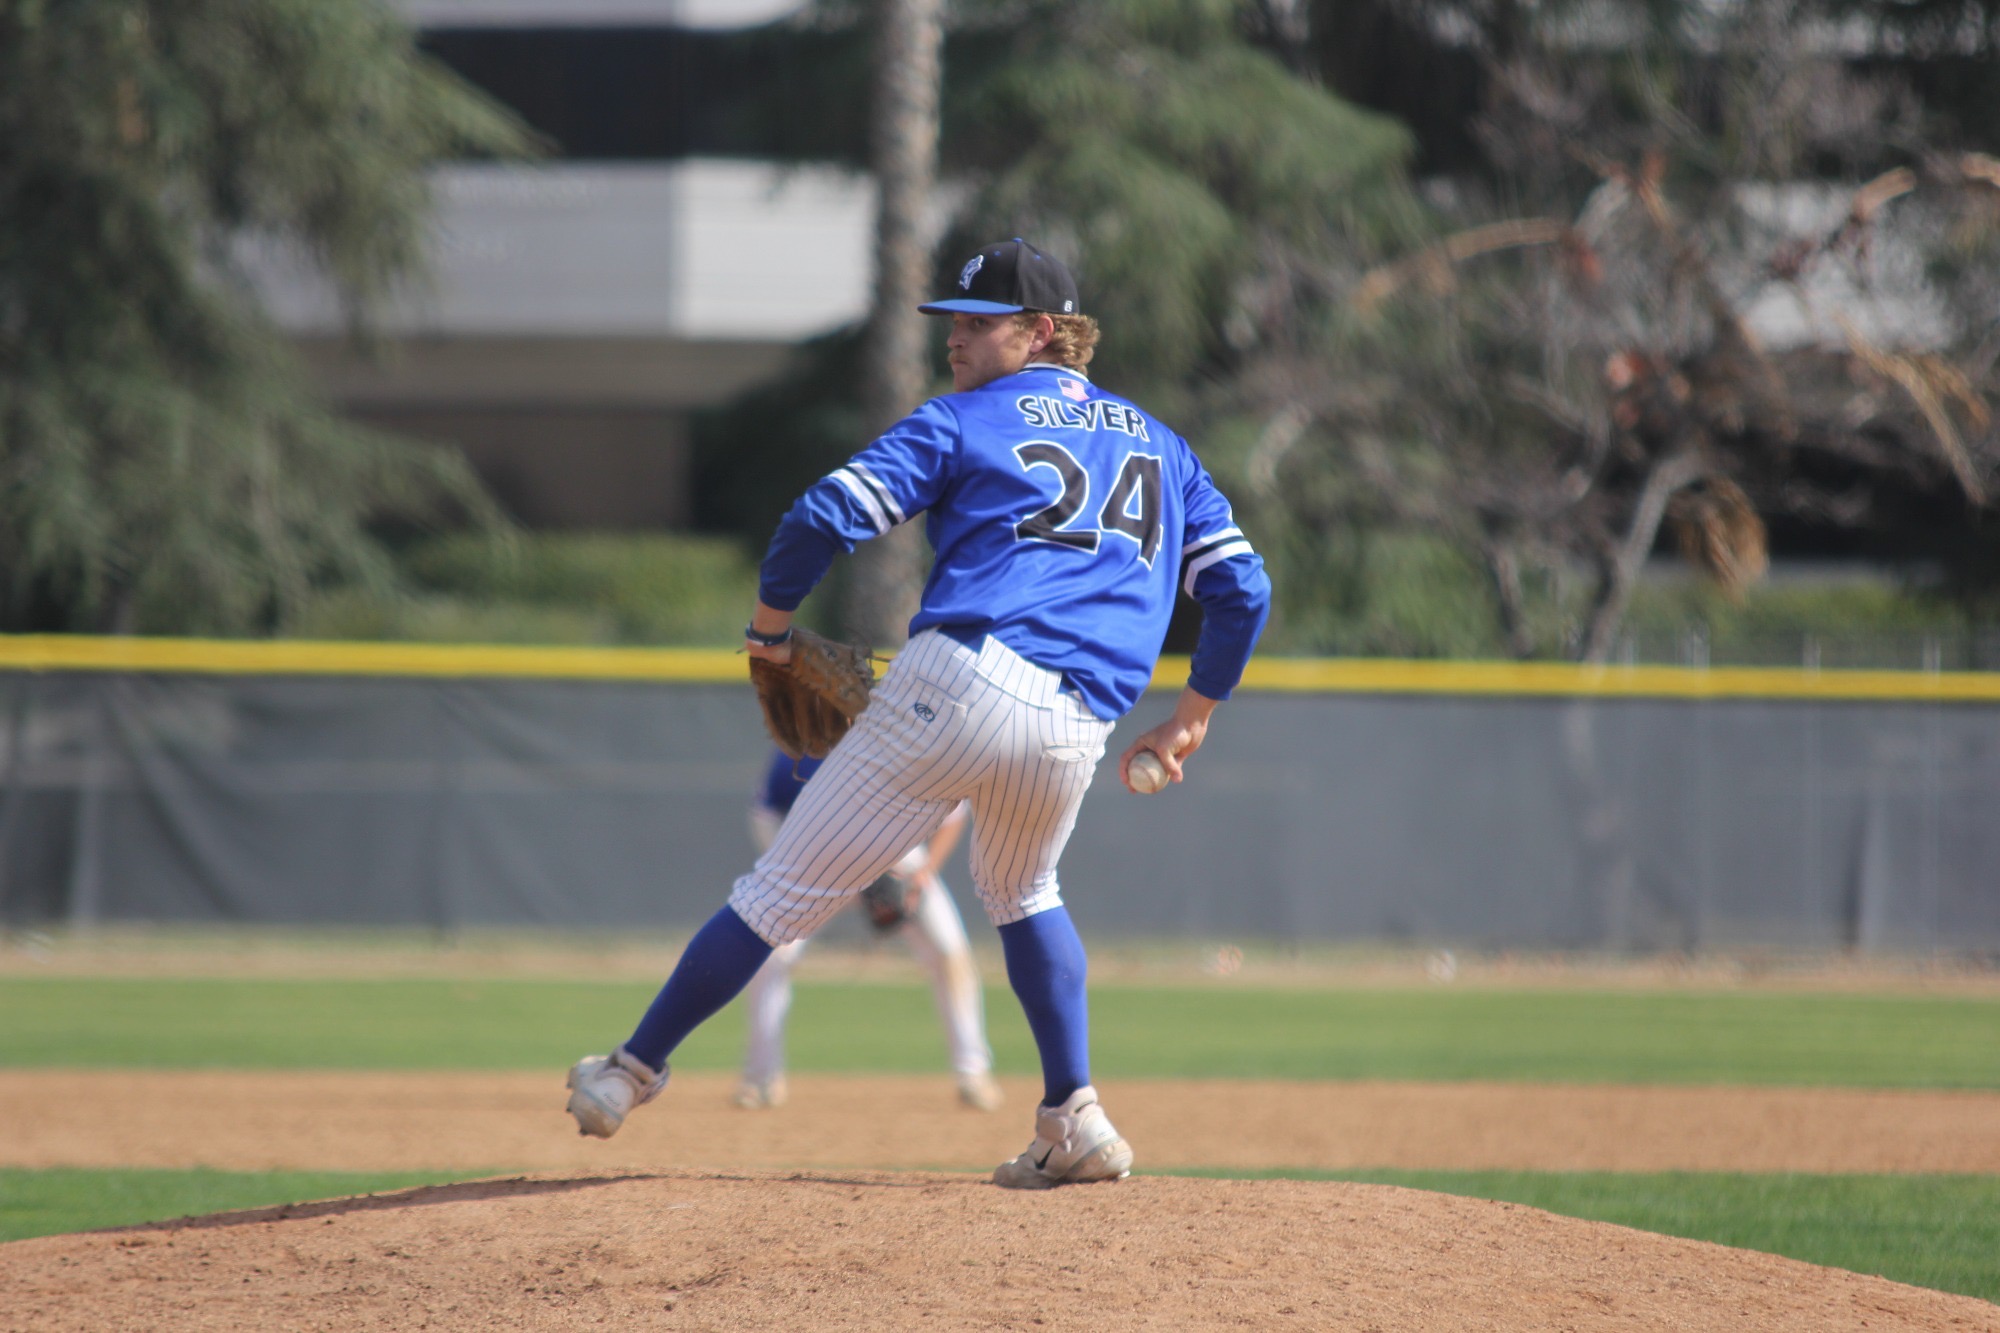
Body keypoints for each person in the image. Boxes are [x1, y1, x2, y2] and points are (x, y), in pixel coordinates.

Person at [566, 237, 1271, 1189]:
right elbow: (1243, 588)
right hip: (1078, 725)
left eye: (981, 324)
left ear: (1045, 333)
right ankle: (1076, 1114)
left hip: (963, 678)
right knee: (1026, 894)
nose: (957, 339)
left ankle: (625, 1074)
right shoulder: (1166, 446)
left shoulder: (963, 421)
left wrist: (771, 632)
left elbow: (822, 515)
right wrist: (1192, 715)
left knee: (775, 897)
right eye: (952, 323)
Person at [735, 747, 1001, 1112]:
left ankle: (973, 1072)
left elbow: (954, 813)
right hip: (815, 863)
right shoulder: (799, 753)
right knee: (773, 956)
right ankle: (761, 1078)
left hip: (895, 858)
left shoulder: (904, 747)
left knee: (950, 952)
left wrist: (925, 874)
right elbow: (765, 815)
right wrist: (789, 871)